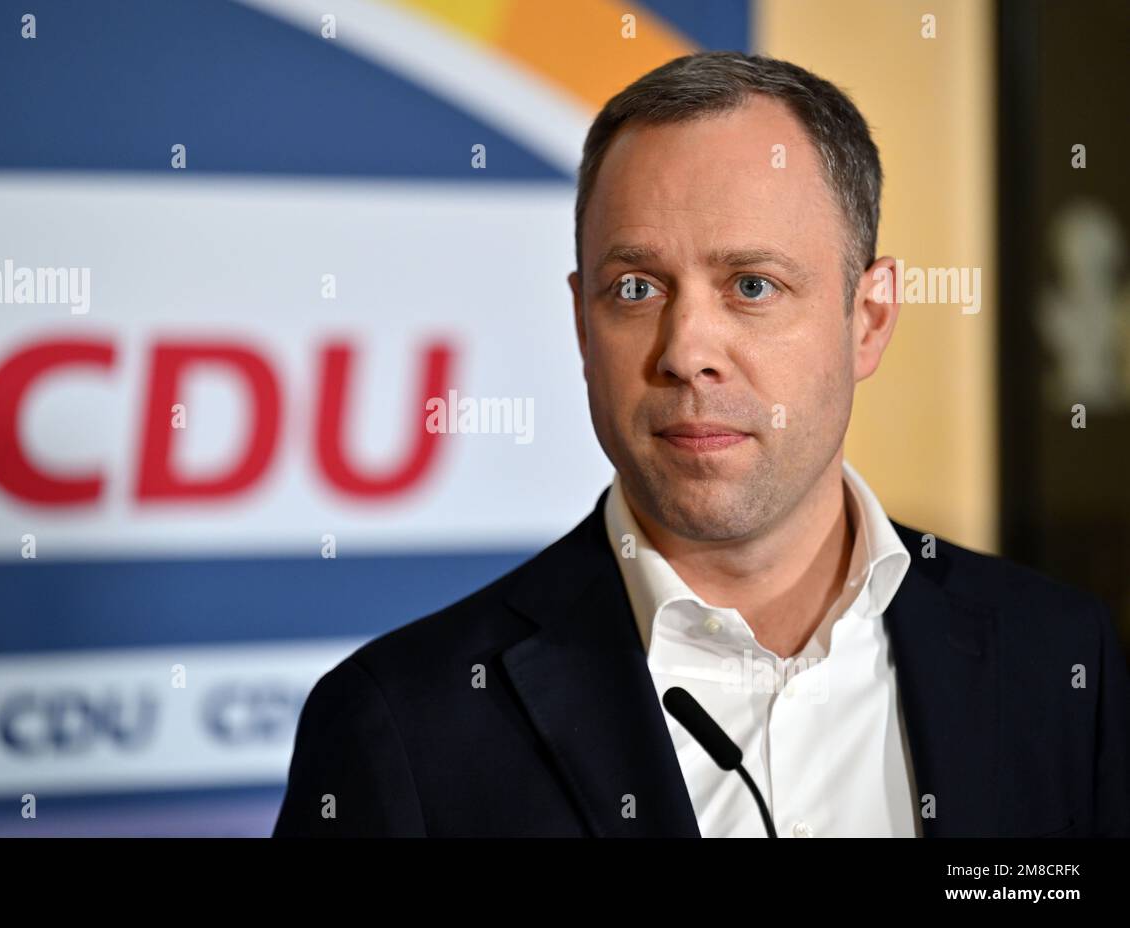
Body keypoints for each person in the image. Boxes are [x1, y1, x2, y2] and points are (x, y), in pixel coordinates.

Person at [272, 51, 1130, 838]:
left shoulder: (1058, 662)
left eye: (752, 285)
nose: (686, 351)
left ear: (867, 319)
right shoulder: (401, 726)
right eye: (636, 288)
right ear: (580, 323)